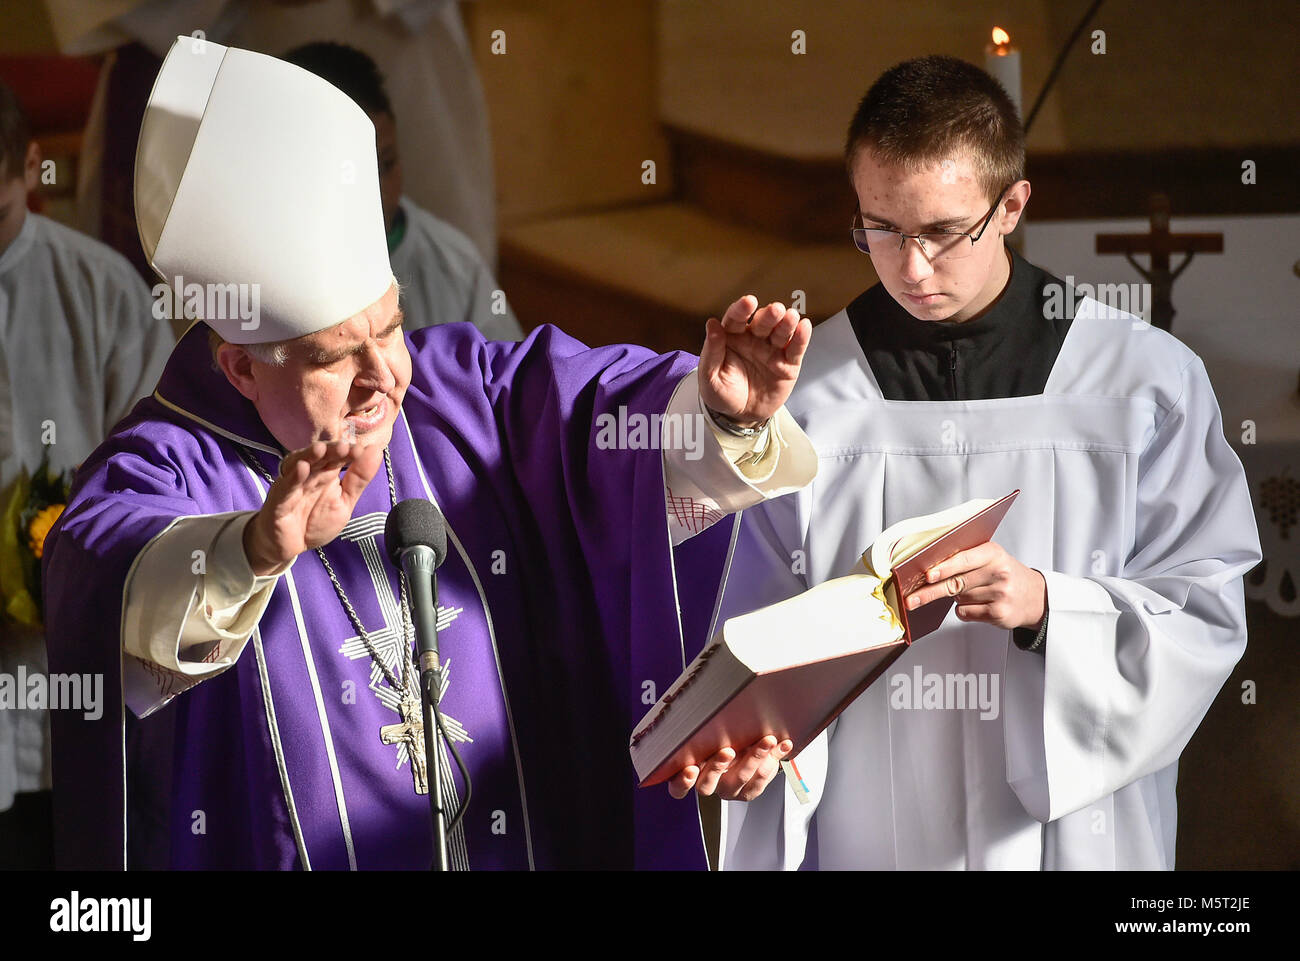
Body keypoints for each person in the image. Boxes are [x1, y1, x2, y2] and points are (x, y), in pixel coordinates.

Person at [42, 37, 813, 870]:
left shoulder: (461, 394)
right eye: (337, 356)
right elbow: (104, 572)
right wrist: (250, 551)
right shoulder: (170, 462)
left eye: (390, 329)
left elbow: (599, 410)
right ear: (240, 366)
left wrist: (719, 416)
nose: (383, 378)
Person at [712, 56, 1261, 870]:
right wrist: (763, 734)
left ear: (1011, 206)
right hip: (873, 829)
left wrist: (1051, 608)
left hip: (1074, 839)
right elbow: (751, 625)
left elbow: (1206, 609)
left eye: (939, 230)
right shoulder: (807, 394)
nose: (910, 267)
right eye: (880, 228)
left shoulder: (1141, 381)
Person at [0, 81, 172, 867]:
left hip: (78, 664)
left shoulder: (101, 291)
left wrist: (72, 547)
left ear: (28, 170)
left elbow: (161, 471)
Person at [282, 41, 523, 341]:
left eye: (386, 164)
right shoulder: (262, 276)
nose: (378, 195)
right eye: (350, 174)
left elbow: (504, 378)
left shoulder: (452, 264)